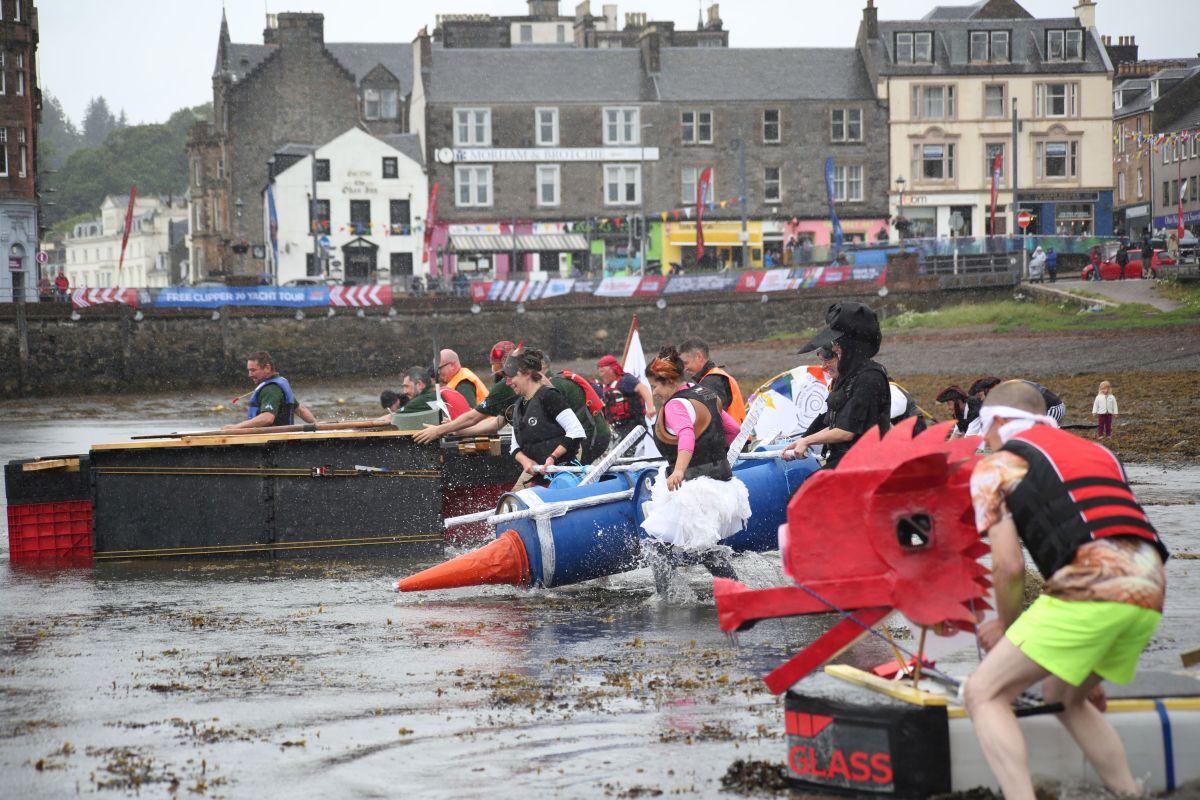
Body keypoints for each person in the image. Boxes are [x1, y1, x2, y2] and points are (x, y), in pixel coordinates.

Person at [962, 380, 1168, 800]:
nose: (983, 439)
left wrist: (1006, 626)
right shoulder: (1100, 452)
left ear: (999, 420)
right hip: (1151, 585)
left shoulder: (995, 466)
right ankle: (1130, 793)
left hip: (1091, 584)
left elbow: (1008, 565)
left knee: (982, 692)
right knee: (1062, 693)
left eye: (984, 427)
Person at [640, 346, 749, 595]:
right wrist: (715, 452)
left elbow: (686, 435)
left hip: (693, 485)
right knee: (700, 547)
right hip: (719, 481)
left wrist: (678, 470)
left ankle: (669, 600)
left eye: (655, 386)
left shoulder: (676, 405)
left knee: (659, 546)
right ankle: (736, 590)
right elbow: (733, 430)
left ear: (668, 381)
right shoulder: (705, 394)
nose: (654, 393)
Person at [781, 302, 891, 468]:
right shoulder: (846, 377)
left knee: (807, 493)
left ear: (852, 344)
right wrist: (802, 441)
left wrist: (808, 440)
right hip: (843, 461)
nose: (835, 346)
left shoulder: (870, 378)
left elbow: (847, 431)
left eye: (838, 342)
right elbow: (835, 426)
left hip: (864, 466)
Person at [503, 347, 586, 488]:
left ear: (527, 373)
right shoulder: (517, 407)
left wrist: (552, 457)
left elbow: (576, 431)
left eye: (512, 377)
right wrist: (525, 462)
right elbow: (514, 447)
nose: (508, 383)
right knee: (510, 504)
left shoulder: (549, 396)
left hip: (562, 470)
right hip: (538, 473)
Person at [413, 340, 519, 444]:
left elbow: (472, 417)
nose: (508, 381)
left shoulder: (465, 383)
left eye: (501, 374)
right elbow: (496, 423)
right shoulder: (514, 382)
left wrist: (439, 430)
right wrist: (455, 429)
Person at [223, 351, 317, 431]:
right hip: (283, 441)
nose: (249, 375)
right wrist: (315, 423)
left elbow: (267, 418)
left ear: (267, 368)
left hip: (272, 444)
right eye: (249, 371)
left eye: (253, 370)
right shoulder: (277, 385)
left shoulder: (271, 389)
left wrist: (236, 427)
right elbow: (300, 410)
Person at [679, 339, 746, 423]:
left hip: (731, 436)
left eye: (686, 363)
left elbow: (712, 421)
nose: (684, 369)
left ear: (698, 356)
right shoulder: (718, 375)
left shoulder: (712, 381)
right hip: (739, 433)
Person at [598, 354, 654, 453]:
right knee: (611, 452)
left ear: (612, 369)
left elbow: (643, 389)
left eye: (602, 371)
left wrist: (650, 407)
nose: (600, 375)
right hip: (617, 428)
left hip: (633, 426)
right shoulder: (606, 387)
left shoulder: (626, 380)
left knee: (623, 452)